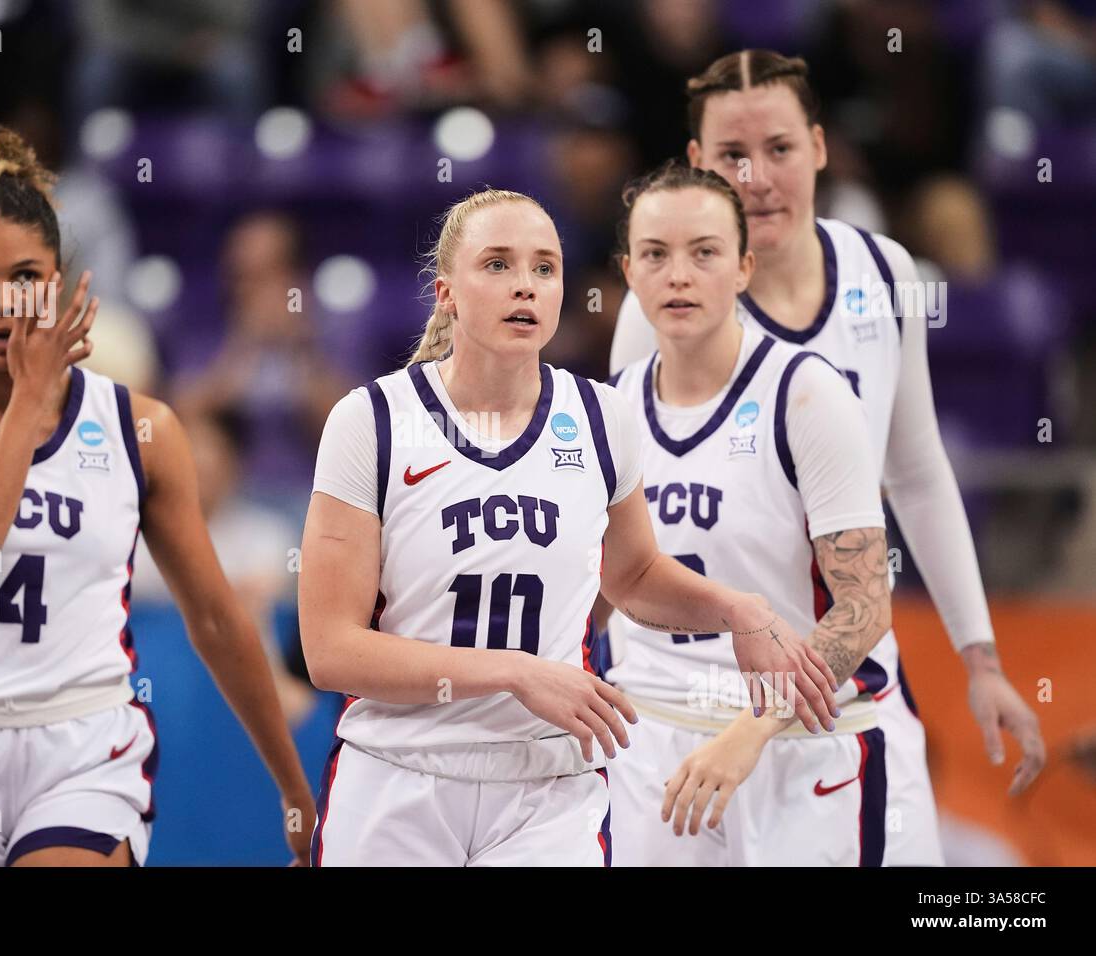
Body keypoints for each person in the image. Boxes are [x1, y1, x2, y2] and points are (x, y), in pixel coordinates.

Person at [298, 187, 839, 867]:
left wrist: (740, 609)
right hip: (397, 771)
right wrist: (515, 673)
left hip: (548, 785)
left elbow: (635, 576)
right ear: (446, 293)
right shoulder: (370, 421)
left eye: (544, 268)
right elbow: (330, 650)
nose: (524, 285)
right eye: (497, 265)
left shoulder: (601, 418)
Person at [609, 50, 1046, 864]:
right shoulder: (658, 313)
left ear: (817, 146)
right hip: (682, 705)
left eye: (778, 148)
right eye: (733, 157)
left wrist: (979, 655)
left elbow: (915, 471)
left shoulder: (882, 274)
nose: (759, 177)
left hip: (834, 695)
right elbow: (626, 532)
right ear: (698, 162)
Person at [0, 123, 314, 867]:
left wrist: (293, 789)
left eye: (26, 276)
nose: (2, 300)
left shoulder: (141, 428)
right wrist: (30, 405)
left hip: (82, 745)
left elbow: (217, 617)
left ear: (59, 280)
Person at [602, 160, 892, 866]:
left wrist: (750, 729)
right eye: (655, 255)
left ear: (743, 267)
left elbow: (867, 604)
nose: (678, 275)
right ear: (628, 272)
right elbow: (596, 592)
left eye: (704, 252)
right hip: (650, 744)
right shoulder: (606, 411)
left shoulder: (806, 393)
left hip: (794, 744)